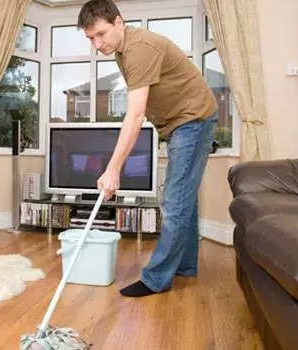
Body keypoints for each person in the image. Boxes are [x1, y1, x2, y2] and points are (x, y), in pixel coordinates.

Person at [77, 0, 218, 298]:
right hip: (182, 122)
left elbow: (135, 115)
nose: (96, 44)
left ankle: (156, 279)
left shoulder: (140, 50)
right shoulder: (121, 50)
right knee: (184, 199)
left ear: (118, 22)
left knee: (174, 200)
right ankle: (186, 265)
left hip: (192, 120)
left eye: (101, 34)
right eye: (90, 38)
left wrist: (113, 169)